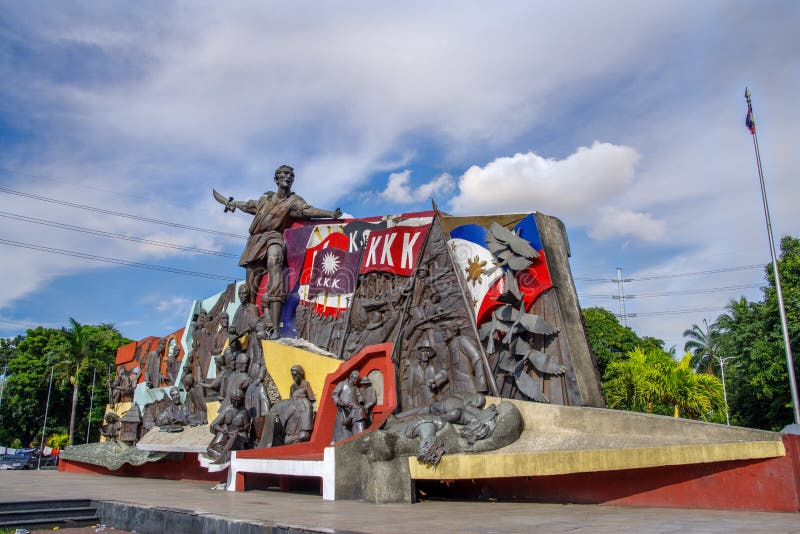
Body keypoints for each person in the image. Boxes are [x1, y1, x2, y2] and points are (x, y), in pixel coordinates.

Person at [215, 165, 342, 335]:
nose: (288, 177)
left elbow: (307, 210)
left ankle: (275, 327)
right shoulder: (264, 200)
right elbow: (247, 205)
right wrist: (232, 204)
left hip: (275, 237)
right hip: (255, 241)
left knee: (275, 260)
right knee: (251, 289)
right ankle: (249, 330)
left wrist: (330, 214)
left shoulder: (293, 201)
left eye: (291, 175)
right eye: (285, 174)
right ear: (277, 179)